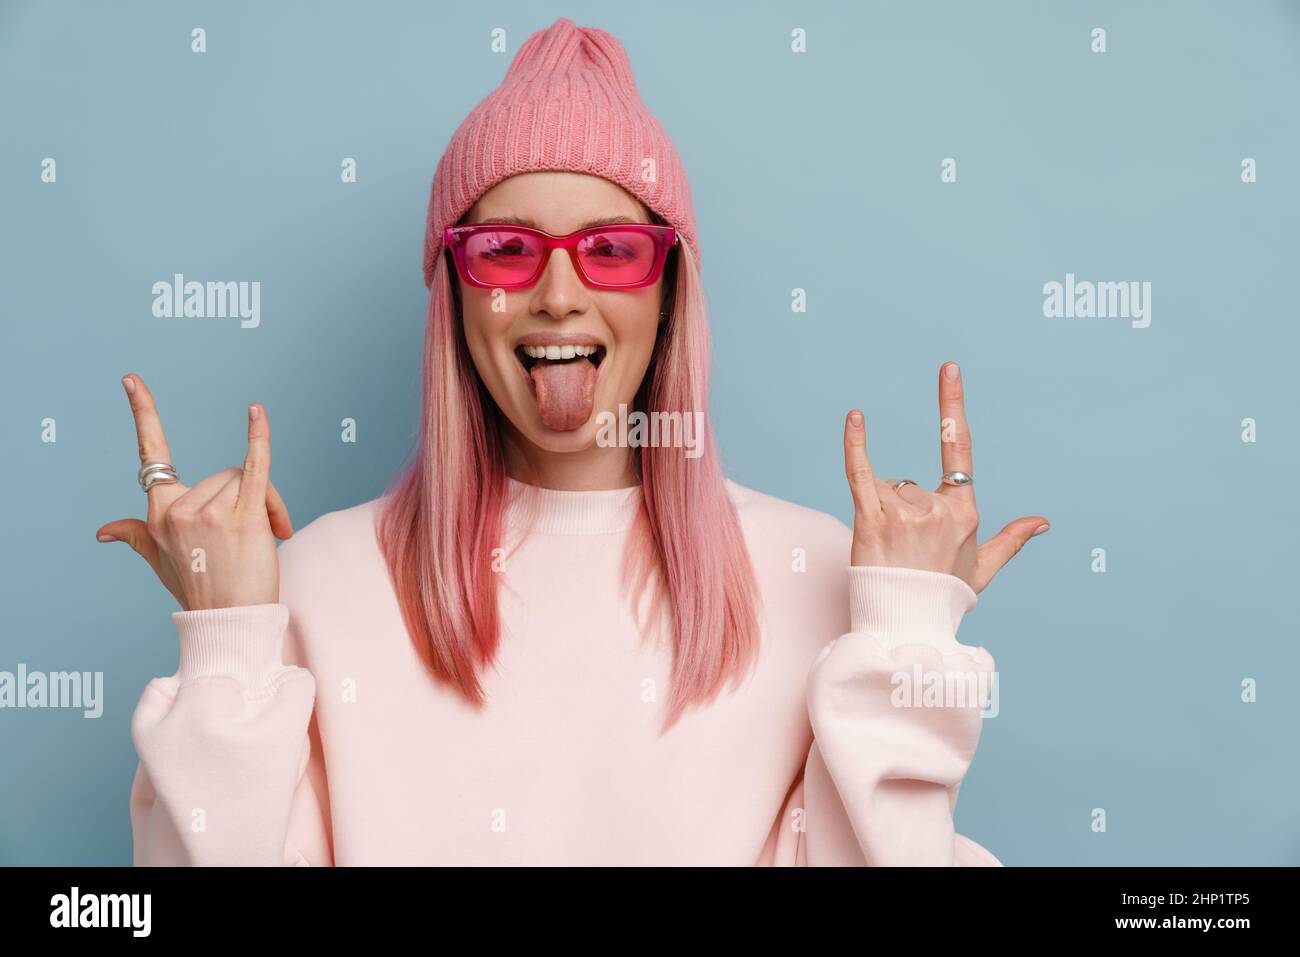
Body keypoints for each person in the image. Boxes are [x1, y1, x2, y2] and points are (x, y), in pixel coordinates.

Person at [99, 17, 1048, 866]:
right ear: (456, 290)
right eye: (508, 248)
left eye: (611, 249)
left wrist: (907, 629)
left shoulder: (823, 579)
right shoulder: (306, 584)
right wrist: (226, 645)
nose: (558, 293)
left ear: (668, 289)